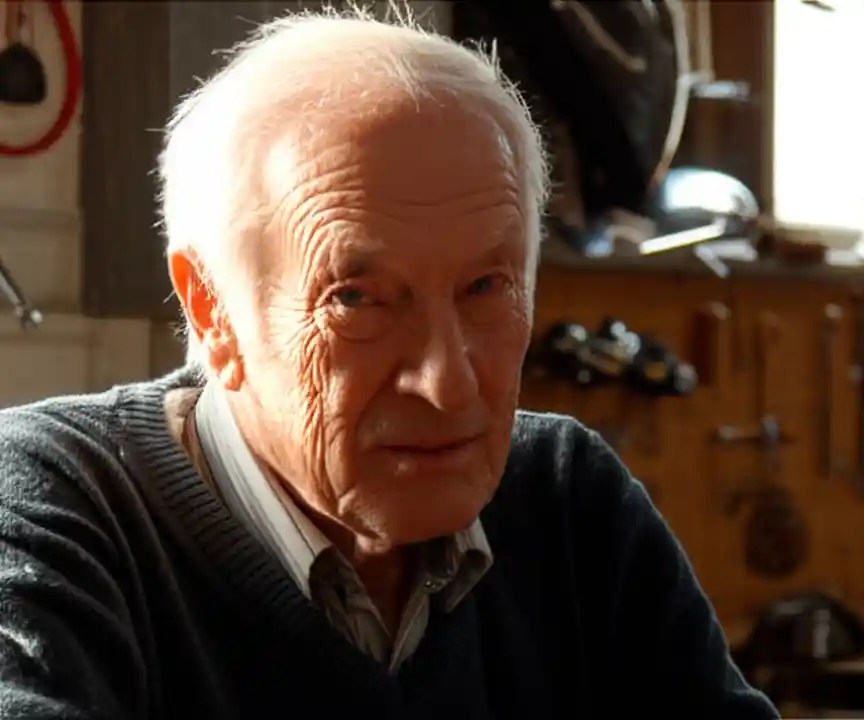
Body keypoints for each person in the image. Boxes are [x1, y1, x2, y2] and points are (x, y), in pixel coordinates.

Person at [0, 9, 777, 719]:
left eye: (484, 287)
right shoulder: (46, 519)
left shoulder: (567, 504)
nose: (447, 384)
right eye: (358, 300)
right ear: (213, 311)